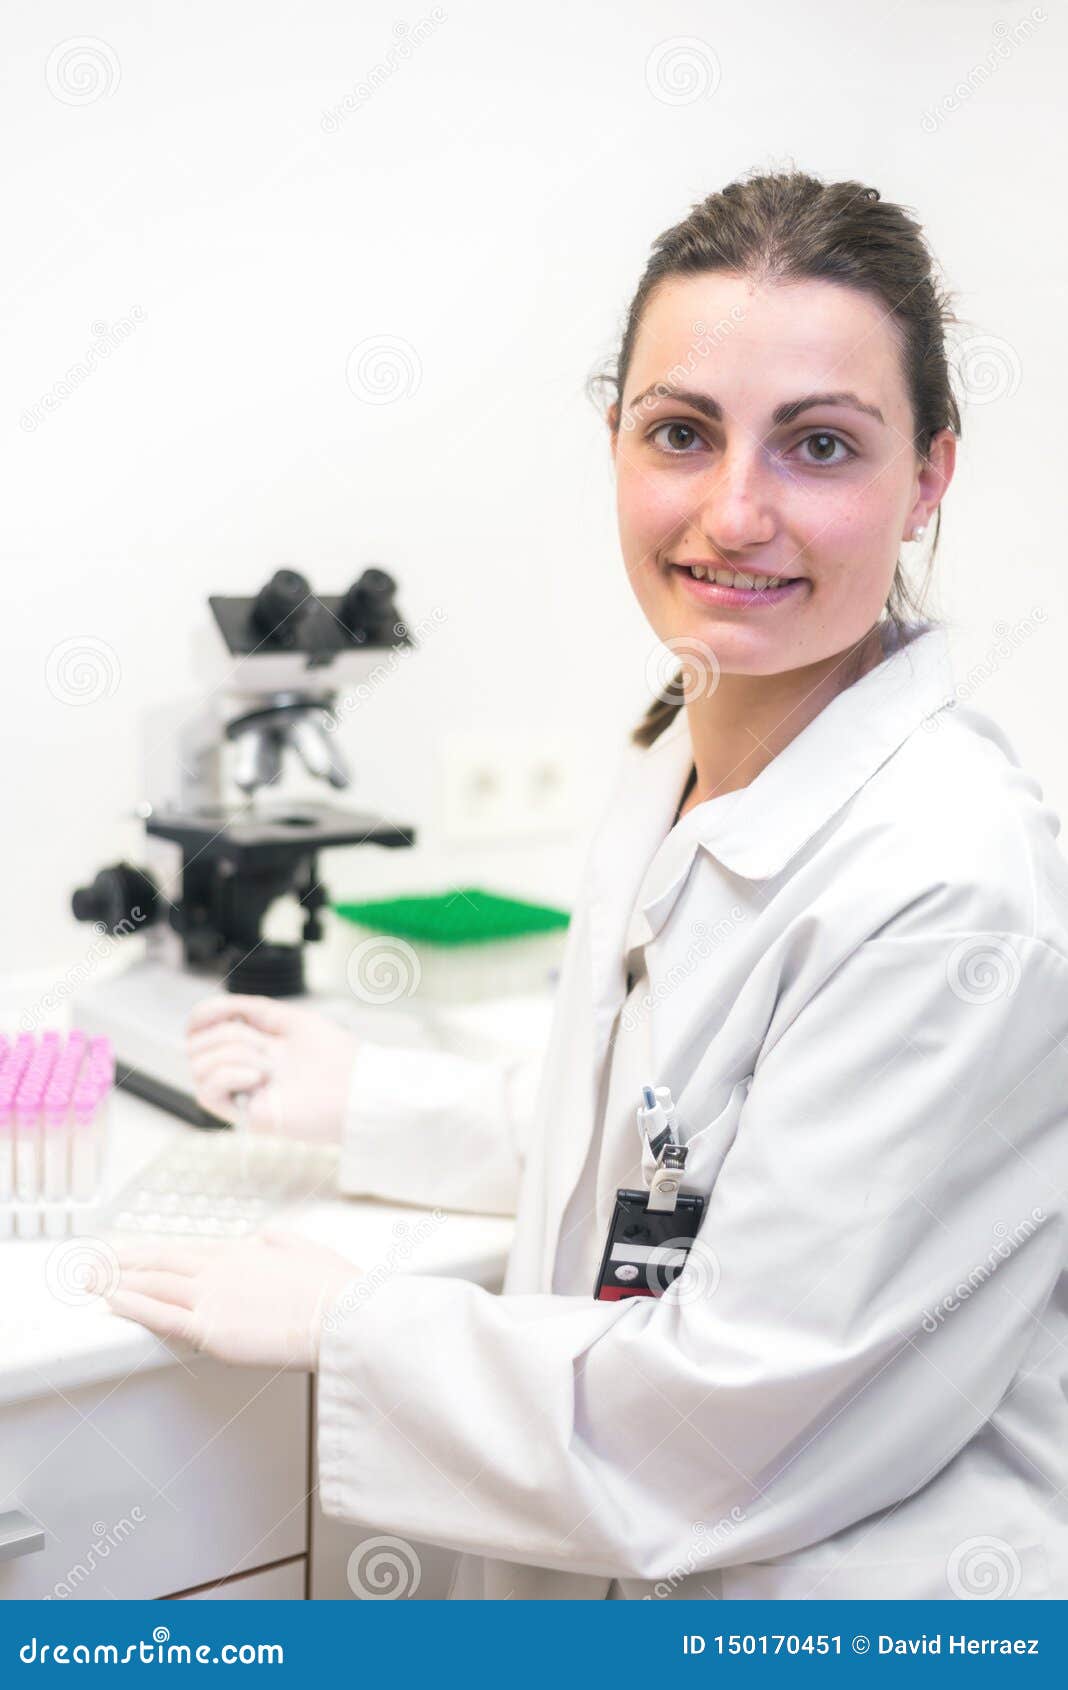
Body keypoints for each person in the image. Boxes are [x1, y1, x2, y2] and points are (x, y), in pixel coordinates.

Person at [109, 169, 1068, 1601]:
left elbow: (735, 1413)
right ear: (612, 438)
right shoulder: (681, 753)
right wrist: (370, 1100)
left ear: (930, 473)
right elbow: (663, 1151)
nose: (735, 512)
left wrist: (355, 1323)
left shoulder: (951, 887)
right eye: (682, 432)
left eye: (819, 445)